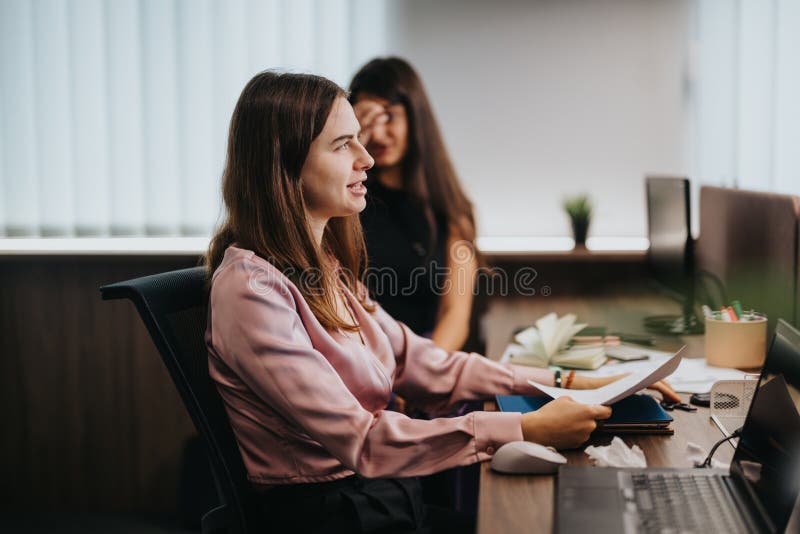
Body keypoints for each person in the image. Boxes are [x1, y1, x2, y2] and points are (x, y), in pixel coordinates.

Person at [204, 70, 680, 533]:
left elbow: (424, 363)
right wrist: (526, 430)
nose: (366, 158)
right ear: (283, 163)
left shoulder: (320, 266)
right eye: (343, 143)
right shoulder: (251, 290)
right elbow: (364, 441)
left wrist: (576, 382)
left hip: (379, 495)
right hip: (332, 513)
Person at [349, 57, 478, 352]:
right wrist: (352, 141)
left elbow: (455, 317)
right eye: (367, 121)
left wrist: (422, 375)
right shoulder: (346, 202)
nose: (378, 134)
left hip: (427, 364)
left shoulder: (452, 211)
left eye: (388, 116)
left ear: (414, 117)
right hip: (360, 364)